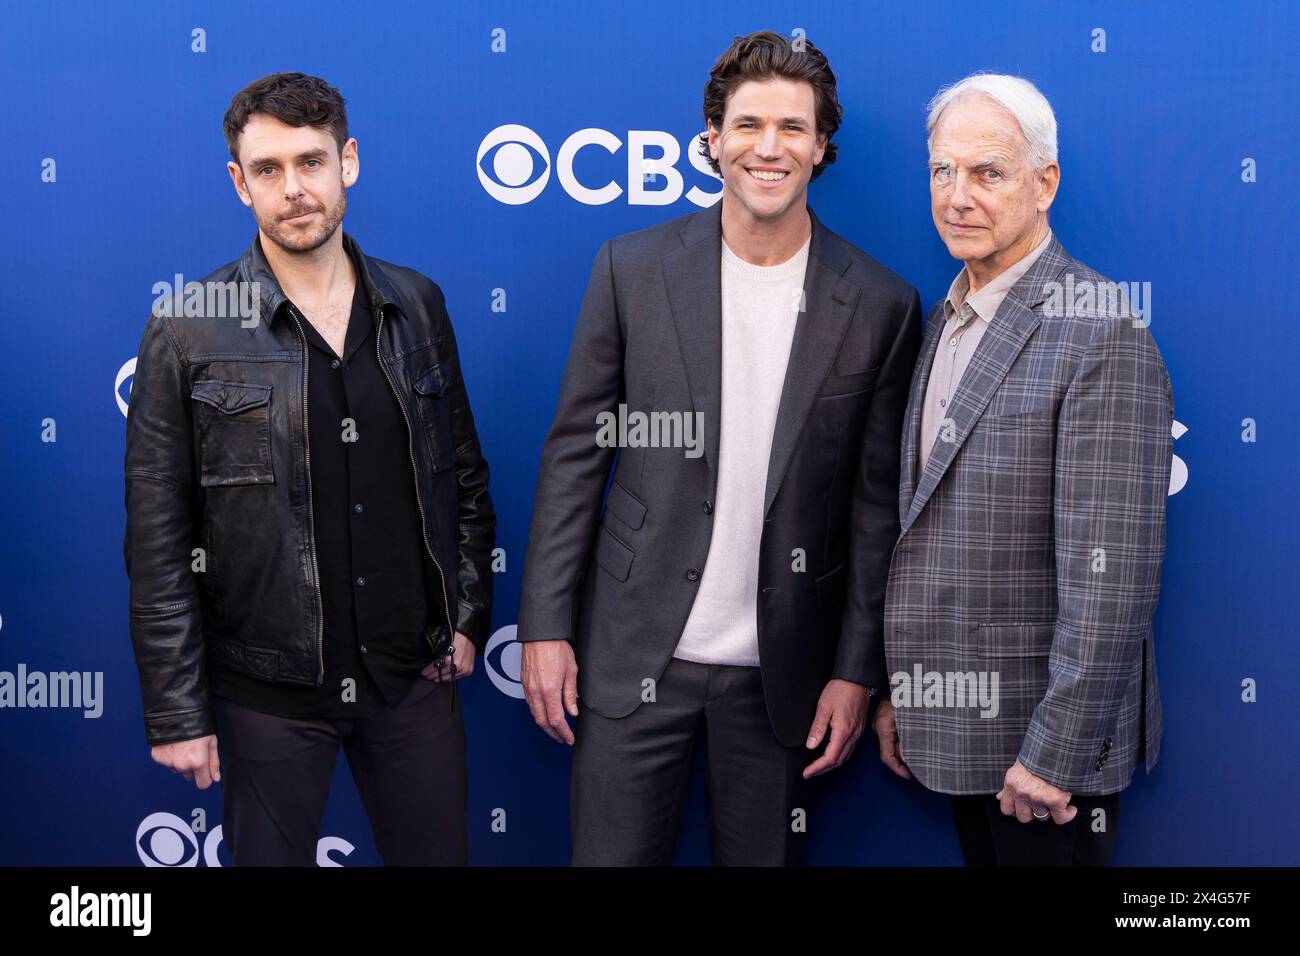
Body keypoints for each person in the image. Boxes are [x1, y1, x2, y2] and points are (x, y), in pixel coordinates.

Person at [518, 31, 921, 865]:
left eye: (790, 128)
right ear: (711, 139)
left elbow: (875, 509)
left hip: (785, 682)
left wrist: (855, 671)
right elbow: (575, 458)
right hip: (630, 657)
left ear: (820, 147)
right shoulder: (631, 269)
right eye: (746, 125)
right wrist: (545, 626)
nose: (767, 148)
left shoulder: (882, 303)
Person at [124, 72, 495, 865]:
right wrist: (176, 710)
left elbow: (461, 473)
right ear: (239, 182)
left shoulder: (416, 304)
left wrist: (465, 616)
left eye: (311, 162)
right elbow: (159, 542)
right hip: (268, 694)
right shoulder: (188, 328)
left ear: (347, 163)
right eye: (268, 170)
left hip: (413, 679)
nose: (294, 190)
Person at [874, 73, 1173, 866]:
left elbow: (1112, 573)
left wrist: (1057, 754)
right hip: (959, 728)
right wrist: (912, 693)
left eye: (987, 172)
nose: (957, 195)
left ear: (1045, 184)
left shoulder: (1100, 328)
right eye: (943, 171)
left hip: (1043, 763)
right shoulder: (942, 320)